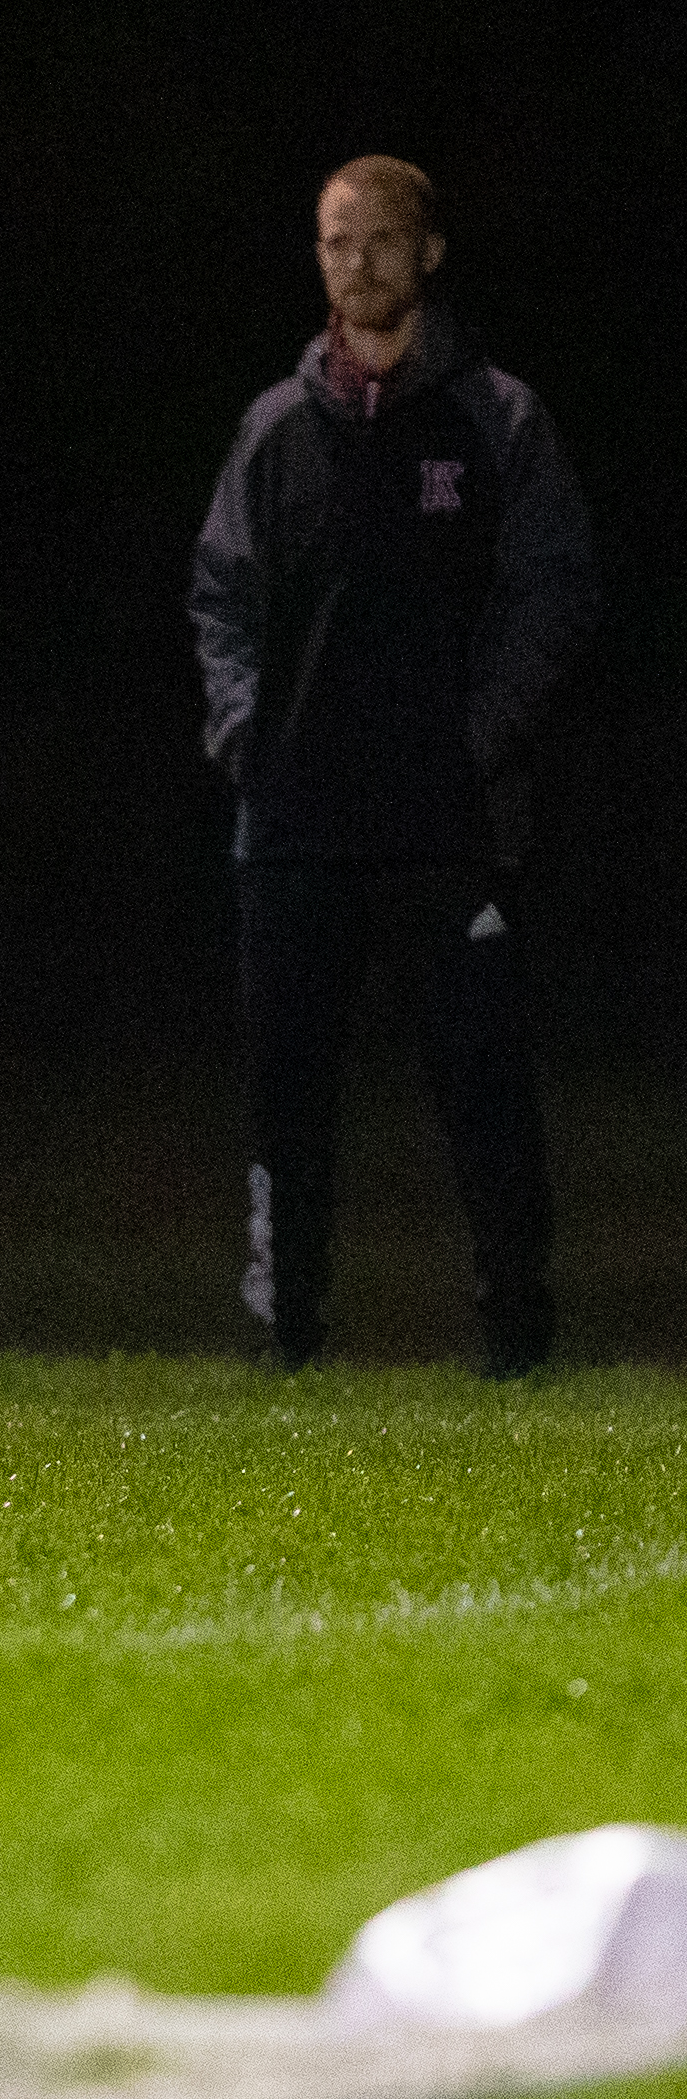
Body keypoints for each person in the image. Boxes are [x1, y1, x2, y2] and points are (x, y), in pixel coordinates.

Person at [189, 155, 596, 1377]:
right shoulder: (276, 428)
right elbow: (220, 596)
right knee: (286, 1092)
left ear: (427, 252)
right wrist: (248, 741)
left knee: (482, 1084)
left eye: (378, 238)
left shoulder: (497, 420)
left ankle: (514, 1331)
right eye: (334, 240)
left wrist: (472, 743)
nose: (355, 261)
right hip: (294, 824)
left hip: (447, 821)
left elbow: (551, 592)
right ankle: (286, 1333)